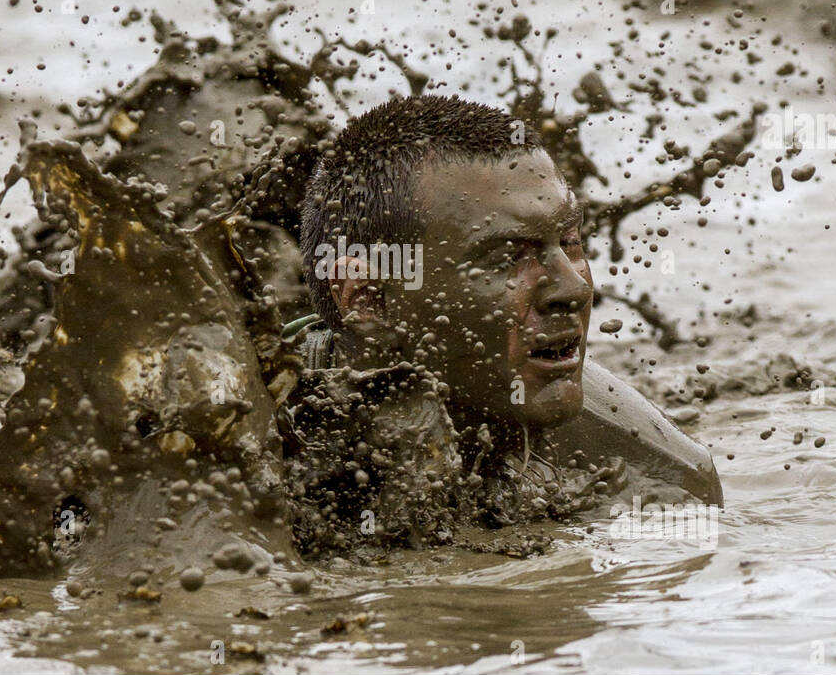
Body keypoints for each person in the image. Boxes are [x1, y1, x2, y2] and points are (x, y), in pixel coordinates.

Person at [284, 95, 721, 548]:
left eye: (569, 240)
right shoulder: (254, 450)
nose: (574, 289)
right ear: (370, 301)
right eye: (508, 257)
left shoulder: (662, 478)